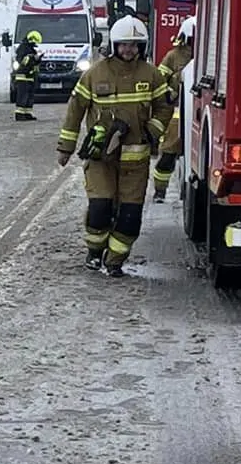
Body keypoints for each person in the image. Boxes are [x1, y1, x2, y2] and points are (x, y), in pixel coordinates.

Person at [57, 14, 173, 277]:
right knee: (100, 209)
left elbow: (165, 107)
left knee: (130, 217)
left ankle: (115, 261)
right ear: (115, 45)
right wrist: (66, 146)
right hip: (101, 159)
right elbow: (76, 109)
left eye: (134, 45)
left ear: (141, 47)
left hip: (136, 163)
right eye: (123, 44)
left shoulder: (151, 74)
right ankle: (95, 253)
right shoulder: (96, 73)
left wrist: (151, 131)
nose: (128, 50)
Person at [153, 14, 197, 202]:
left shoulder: (207, 54)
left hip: (197, 113)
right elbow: (159, 80)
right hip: (177, 113)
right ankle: (159, 191)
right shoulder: (173, 56)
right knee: (168, 154)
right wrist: (169, 93)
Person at [10, 29, 43, 121]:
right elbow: (24, 63)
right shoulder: (24, 50)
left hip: (30, 77)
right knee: (22, 96)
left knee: (29, 96)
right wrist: (33, 59)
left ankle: (27, 113)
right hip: (23, 78)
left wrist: (37, 60)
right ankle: (19, 114)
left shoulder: (29, 49)